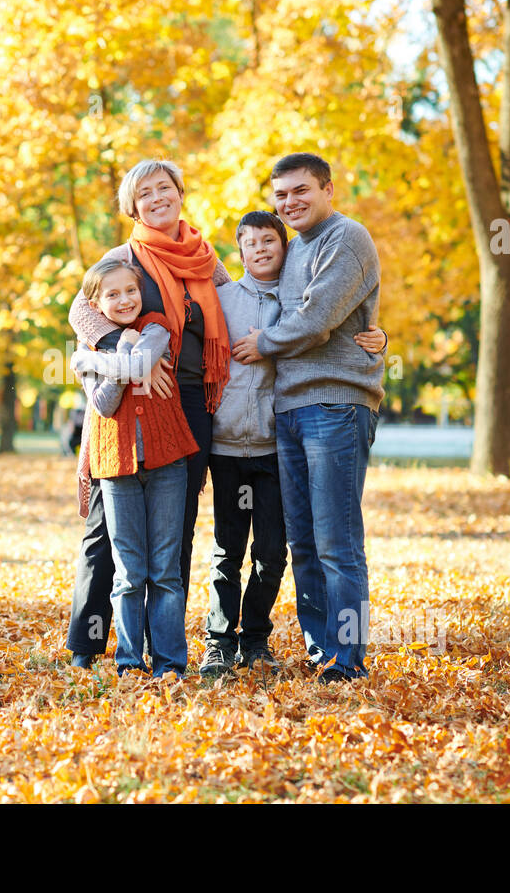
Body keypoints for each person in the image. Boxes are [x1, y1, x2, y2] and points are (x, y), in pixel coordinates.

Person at [66, 159, 386, 670]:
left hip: (195, 402)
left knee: (182, 524)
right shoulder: (124, 256)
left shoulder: (204, 259)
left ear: (180, 194)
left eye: (165, 188)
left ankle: (171, 650)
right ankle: (88, 643)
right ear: (132, 205)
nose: (157, 198)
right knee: (110, 527)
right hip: (132, 401)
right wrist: (122, 350)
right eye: (144, 193)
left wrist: (375, 333)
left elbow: (289, 301)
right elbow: (81, 309)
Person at [232, 153, 385, 683]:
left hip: (336, 405)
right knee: (303, 540)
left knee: (338, 540)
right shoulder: (292, 249)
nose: (291, 202)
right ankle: (323, 648)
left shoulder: (347, 238)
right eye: (282, 195)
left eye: (302, 191)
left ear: (328, 190)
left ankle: (349, 656)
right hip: (290, 408)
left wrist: (263, 343)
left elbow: (317, 320)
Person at [70, 256, 198, 677]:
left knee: (164, 570)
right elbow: (105, 404)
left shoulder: (156, 325)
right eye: (112, 294)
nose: (125, 299)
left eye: (130, 290)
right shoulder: (91, 342)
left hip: (166, 460)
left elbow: (142, 364)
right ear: (95, 303)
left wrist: (94, 363)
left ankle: (169, 664)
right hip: (115, 462)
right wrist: (117, 359)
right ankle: (128, 661)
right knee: (128, 571)